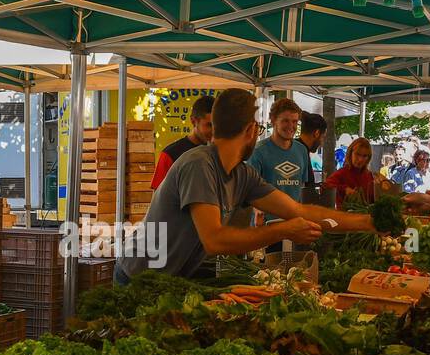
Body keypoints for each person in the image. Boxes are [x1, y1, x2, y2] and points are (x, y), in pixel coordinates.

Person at [113, 88, 375, 284]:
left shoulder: (242, 175)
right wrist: (282, 230)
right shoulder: (199, 164)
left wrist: (367, 222)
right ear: (250, 130)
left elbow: (299, 210)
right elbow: (214, 239)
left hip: (170, 279)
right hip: (137, 277)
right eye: (259, 128)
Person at [248, 98, 310, 227]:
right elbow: (248, 191)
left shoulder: (302, 150)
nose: (291, 126)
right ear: (273, 120)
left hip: (293, 224)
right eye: (285, 121)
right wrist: (257, 210)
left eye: (294, 122)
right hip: (266, 225)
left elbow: (300, 187)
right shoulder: (258, 152)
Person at [151, 95, 213, 190]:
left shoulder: (218, 153)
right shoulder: (170, 154)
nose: (213, 130)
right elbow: (157, 198)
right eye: (209, 125)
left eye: (217, 125)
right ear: (193, 121)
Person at [326, 137, 375, 204]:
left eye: (365, 156)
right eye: (357, 154)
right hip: (345, 213)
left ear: (368, 158)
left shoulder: (369, 176)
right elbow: (325, 186)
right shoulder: (342, 173)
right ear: (350, 153)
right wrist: (344, 189)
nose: (360, 159)